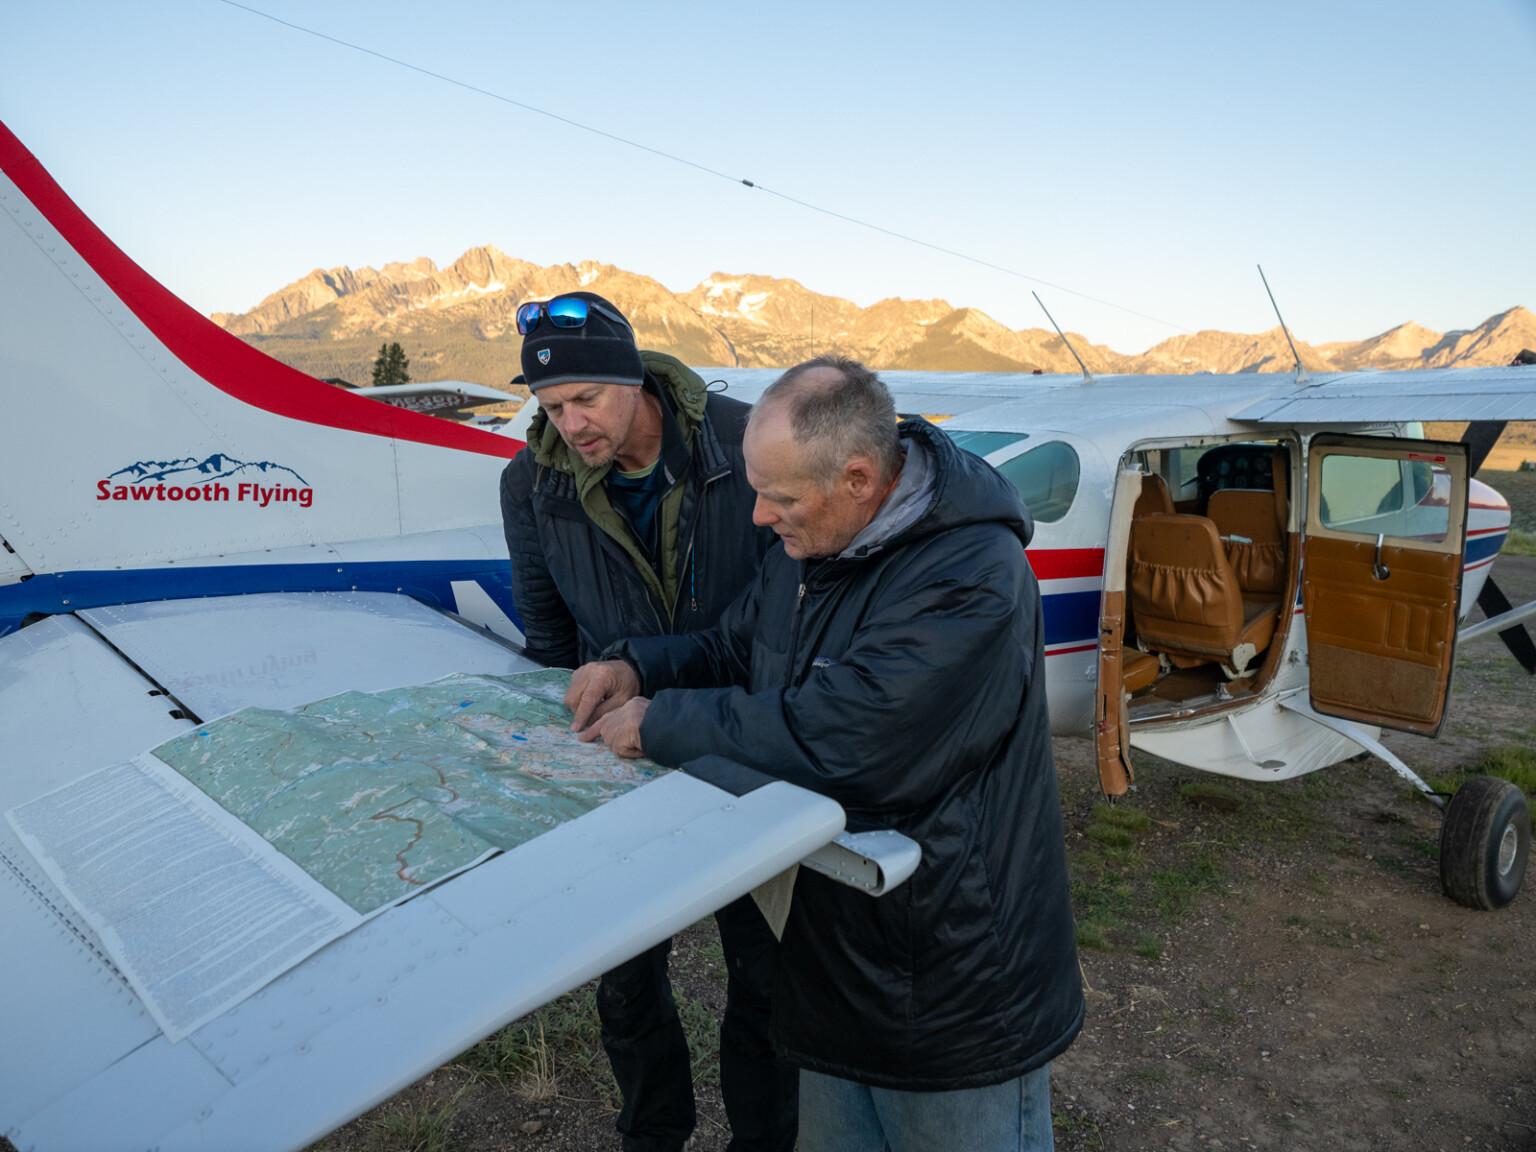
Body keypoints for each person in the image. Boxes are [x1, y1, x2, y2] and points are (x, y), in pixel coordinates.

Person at [569, 356, 1084, 1151]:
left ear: (857, 477)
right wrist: (637, 665)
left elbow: (850, 738)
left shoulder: (971, 576)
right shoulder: (814, 544)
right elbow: (738, 645)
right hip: (838, 969)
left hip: (951, 984)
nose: (758, 519)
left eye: (778, 498)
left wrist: (661, 721)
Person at [498, 292, 793, 1152]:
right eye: (551, 406)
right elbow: (549, 636)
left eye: (586, 398)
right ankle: (653, 1135)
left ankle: (765, 1140)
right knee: (623, 976)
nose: (570, 423)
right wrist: (561, 729)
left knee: (766, 971)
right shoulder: (533, 482)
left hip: (742, 737)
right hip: (613, 754)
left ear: (635, 376)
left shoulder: (747, 443)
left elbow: (785, 615)